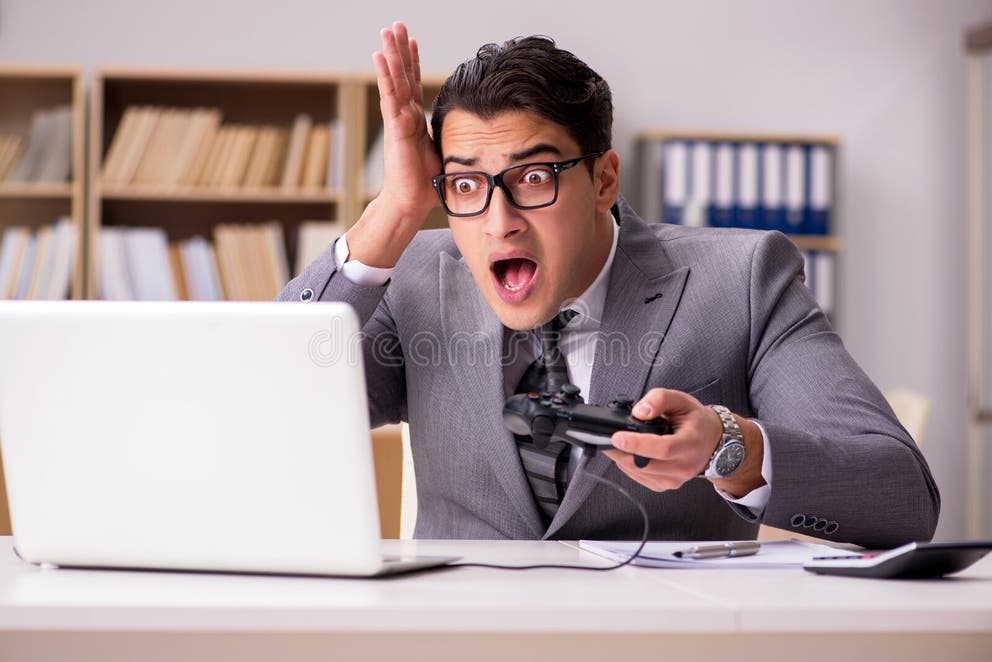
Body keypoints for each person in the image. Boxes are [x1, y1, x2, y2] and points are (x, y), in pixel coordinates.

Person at [279, 22, 939, 547]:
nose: (498, 223)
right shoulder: (415, 277)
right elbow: (272, 398)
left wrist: (728, 446)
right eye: (466, 184)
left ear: (603, 180)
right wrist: (393, 211)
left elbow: (902, 498)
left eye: (533, 178)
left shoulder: (741, 279)